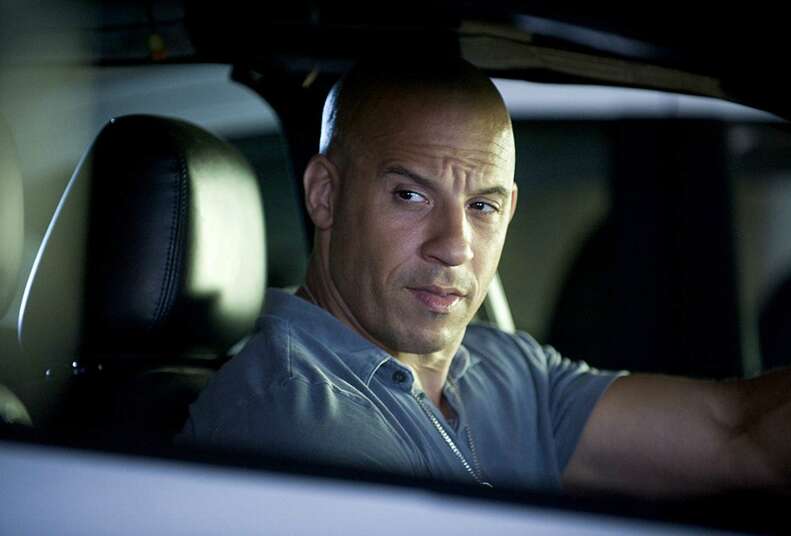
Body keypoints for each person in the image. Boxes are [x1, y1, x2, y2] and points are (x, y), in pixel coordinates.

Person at [180, 57, 790, 496]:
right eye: (411, 195)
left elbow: (738, 434)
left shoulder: (500, 367)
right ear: (324, 194)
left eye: (482, 206)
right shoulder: (291, 416)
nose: (454, 247)